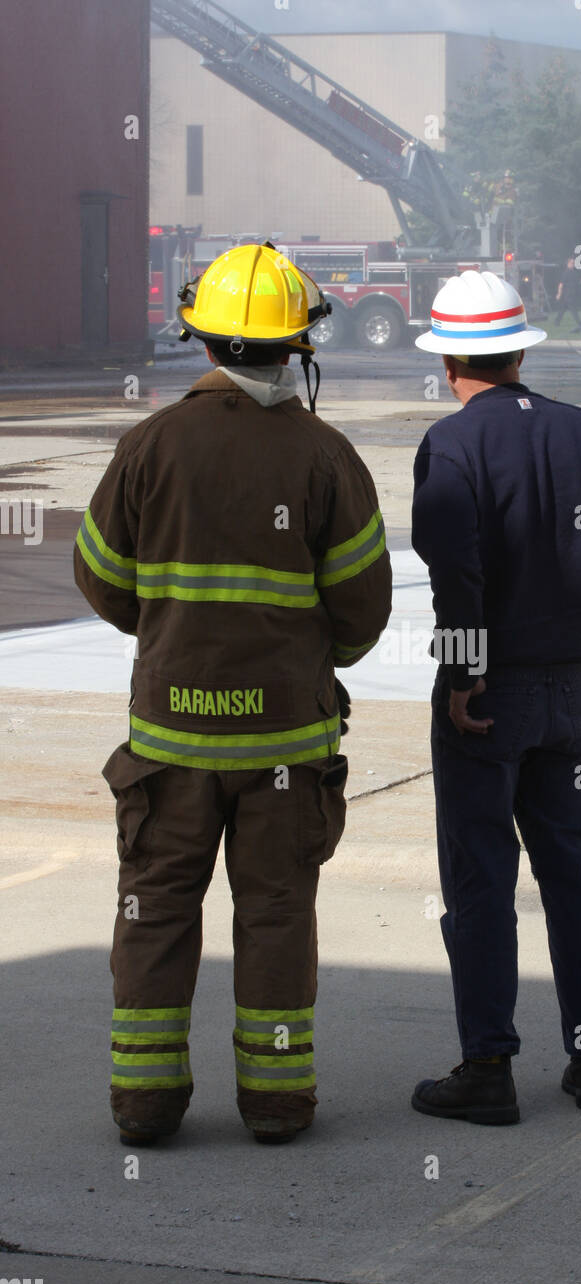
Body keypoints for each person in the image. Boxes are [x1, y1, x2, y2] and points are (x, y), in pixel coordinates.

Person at [74, 244, 392, 1146]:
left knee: (156, 912)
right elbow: (365, 612)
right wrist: (307, 658)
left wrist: (173, 633)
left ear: (203, 338)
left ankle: (144, 1103)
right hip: (285, 747)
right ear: (298, 347)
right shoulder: (327, 458)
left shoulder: (150, 445)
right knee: (278, 915)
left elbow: (99, 577)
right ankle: (278, 1103)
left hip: (169, 743)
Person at [410, 271, 581, 1122]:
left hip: (491, 703)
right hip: (570, 697)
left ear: (449, 357)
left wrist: (462, 675)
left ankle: (487, 1071)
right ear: (521, 350)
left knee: (482, 881)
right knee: (570, 874)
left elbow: (459, 575)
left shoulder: (452, 446)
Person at [554, 256, 581, 332]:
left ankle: (556, 322)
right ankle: (580, 323)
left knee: (562, 309)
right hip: (567, 295)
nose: (573, 264)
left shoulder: (575, 273)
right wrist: (559, 294)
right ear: (568, 264)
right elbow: (561, 285)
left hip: (571, 294)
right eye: (572, 263)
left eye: (574, 263)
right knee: (573, 309)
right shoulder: (565, 273)